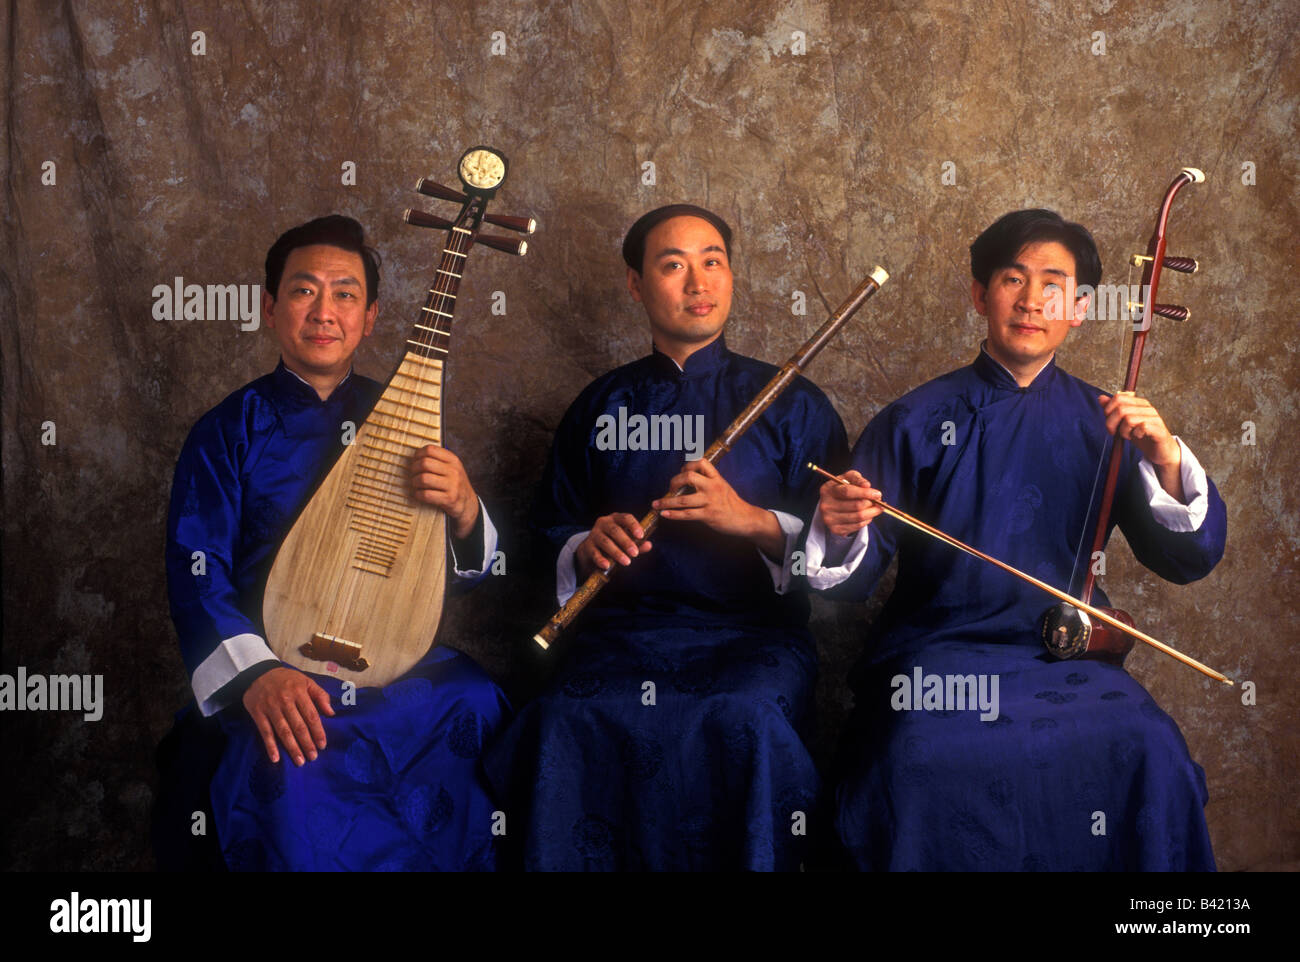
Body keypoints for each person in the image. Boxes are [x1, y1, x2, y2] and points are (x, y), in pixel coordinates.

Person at [806, 208, 1227, 871]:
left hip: (1068, 656)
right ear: (980, 295)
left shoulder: (1110, 422)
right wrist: (836, 528)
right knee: (915, 752)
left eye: (1054, 284)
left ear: (1082, 308)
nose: (1033, 301)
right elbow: (847, 586)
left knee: (1148, 744)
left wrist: (1167, 458)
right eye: (1012, 280)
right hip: (937, 654)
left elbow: (1187, 559)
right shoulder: (913, 419)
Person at [483, 204, 848, 870]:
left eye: (712, 261)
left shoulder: (794, 402)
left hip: (753, 642)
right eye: (672, 265)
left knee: (746, 720)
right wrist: (585, 543)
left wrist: (750, 520)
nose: (697, 281)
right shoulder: (600, 405)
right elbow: (546, 529)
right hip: (619, 640)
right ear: (636, 285)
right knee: (560, 719)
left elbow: (842, 565)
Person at [156, 214, 509, 871]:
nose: (325, 311)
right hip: (277, 658)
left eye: (345, 294)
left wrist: (465, 510)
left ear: (371, 316)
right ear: (270, 308)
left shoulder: (404, 415)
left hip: (388, 654)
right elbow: (195, 569)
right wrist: (259, 675)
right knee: (293, 767)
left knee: (476, 700)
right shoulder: (228, 431)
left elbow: (443, 577)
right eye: (303, 290)